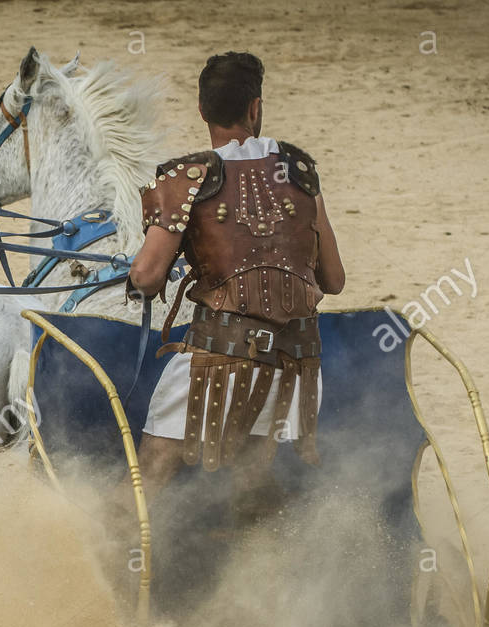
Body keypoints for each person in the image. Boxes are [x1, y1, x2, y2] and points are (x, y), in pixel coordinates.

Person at [127, 52, 345, 506]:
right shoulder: (302, 175)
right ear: (256, 109)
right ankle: (254, 559)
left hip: (215, 367)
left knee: (144, 483)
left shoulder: (185, 179)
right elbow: (335, 279)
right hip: (297, 376)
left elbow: (146, 278)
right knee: (252, 495)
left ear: (202, 111)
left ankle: (111, 565)